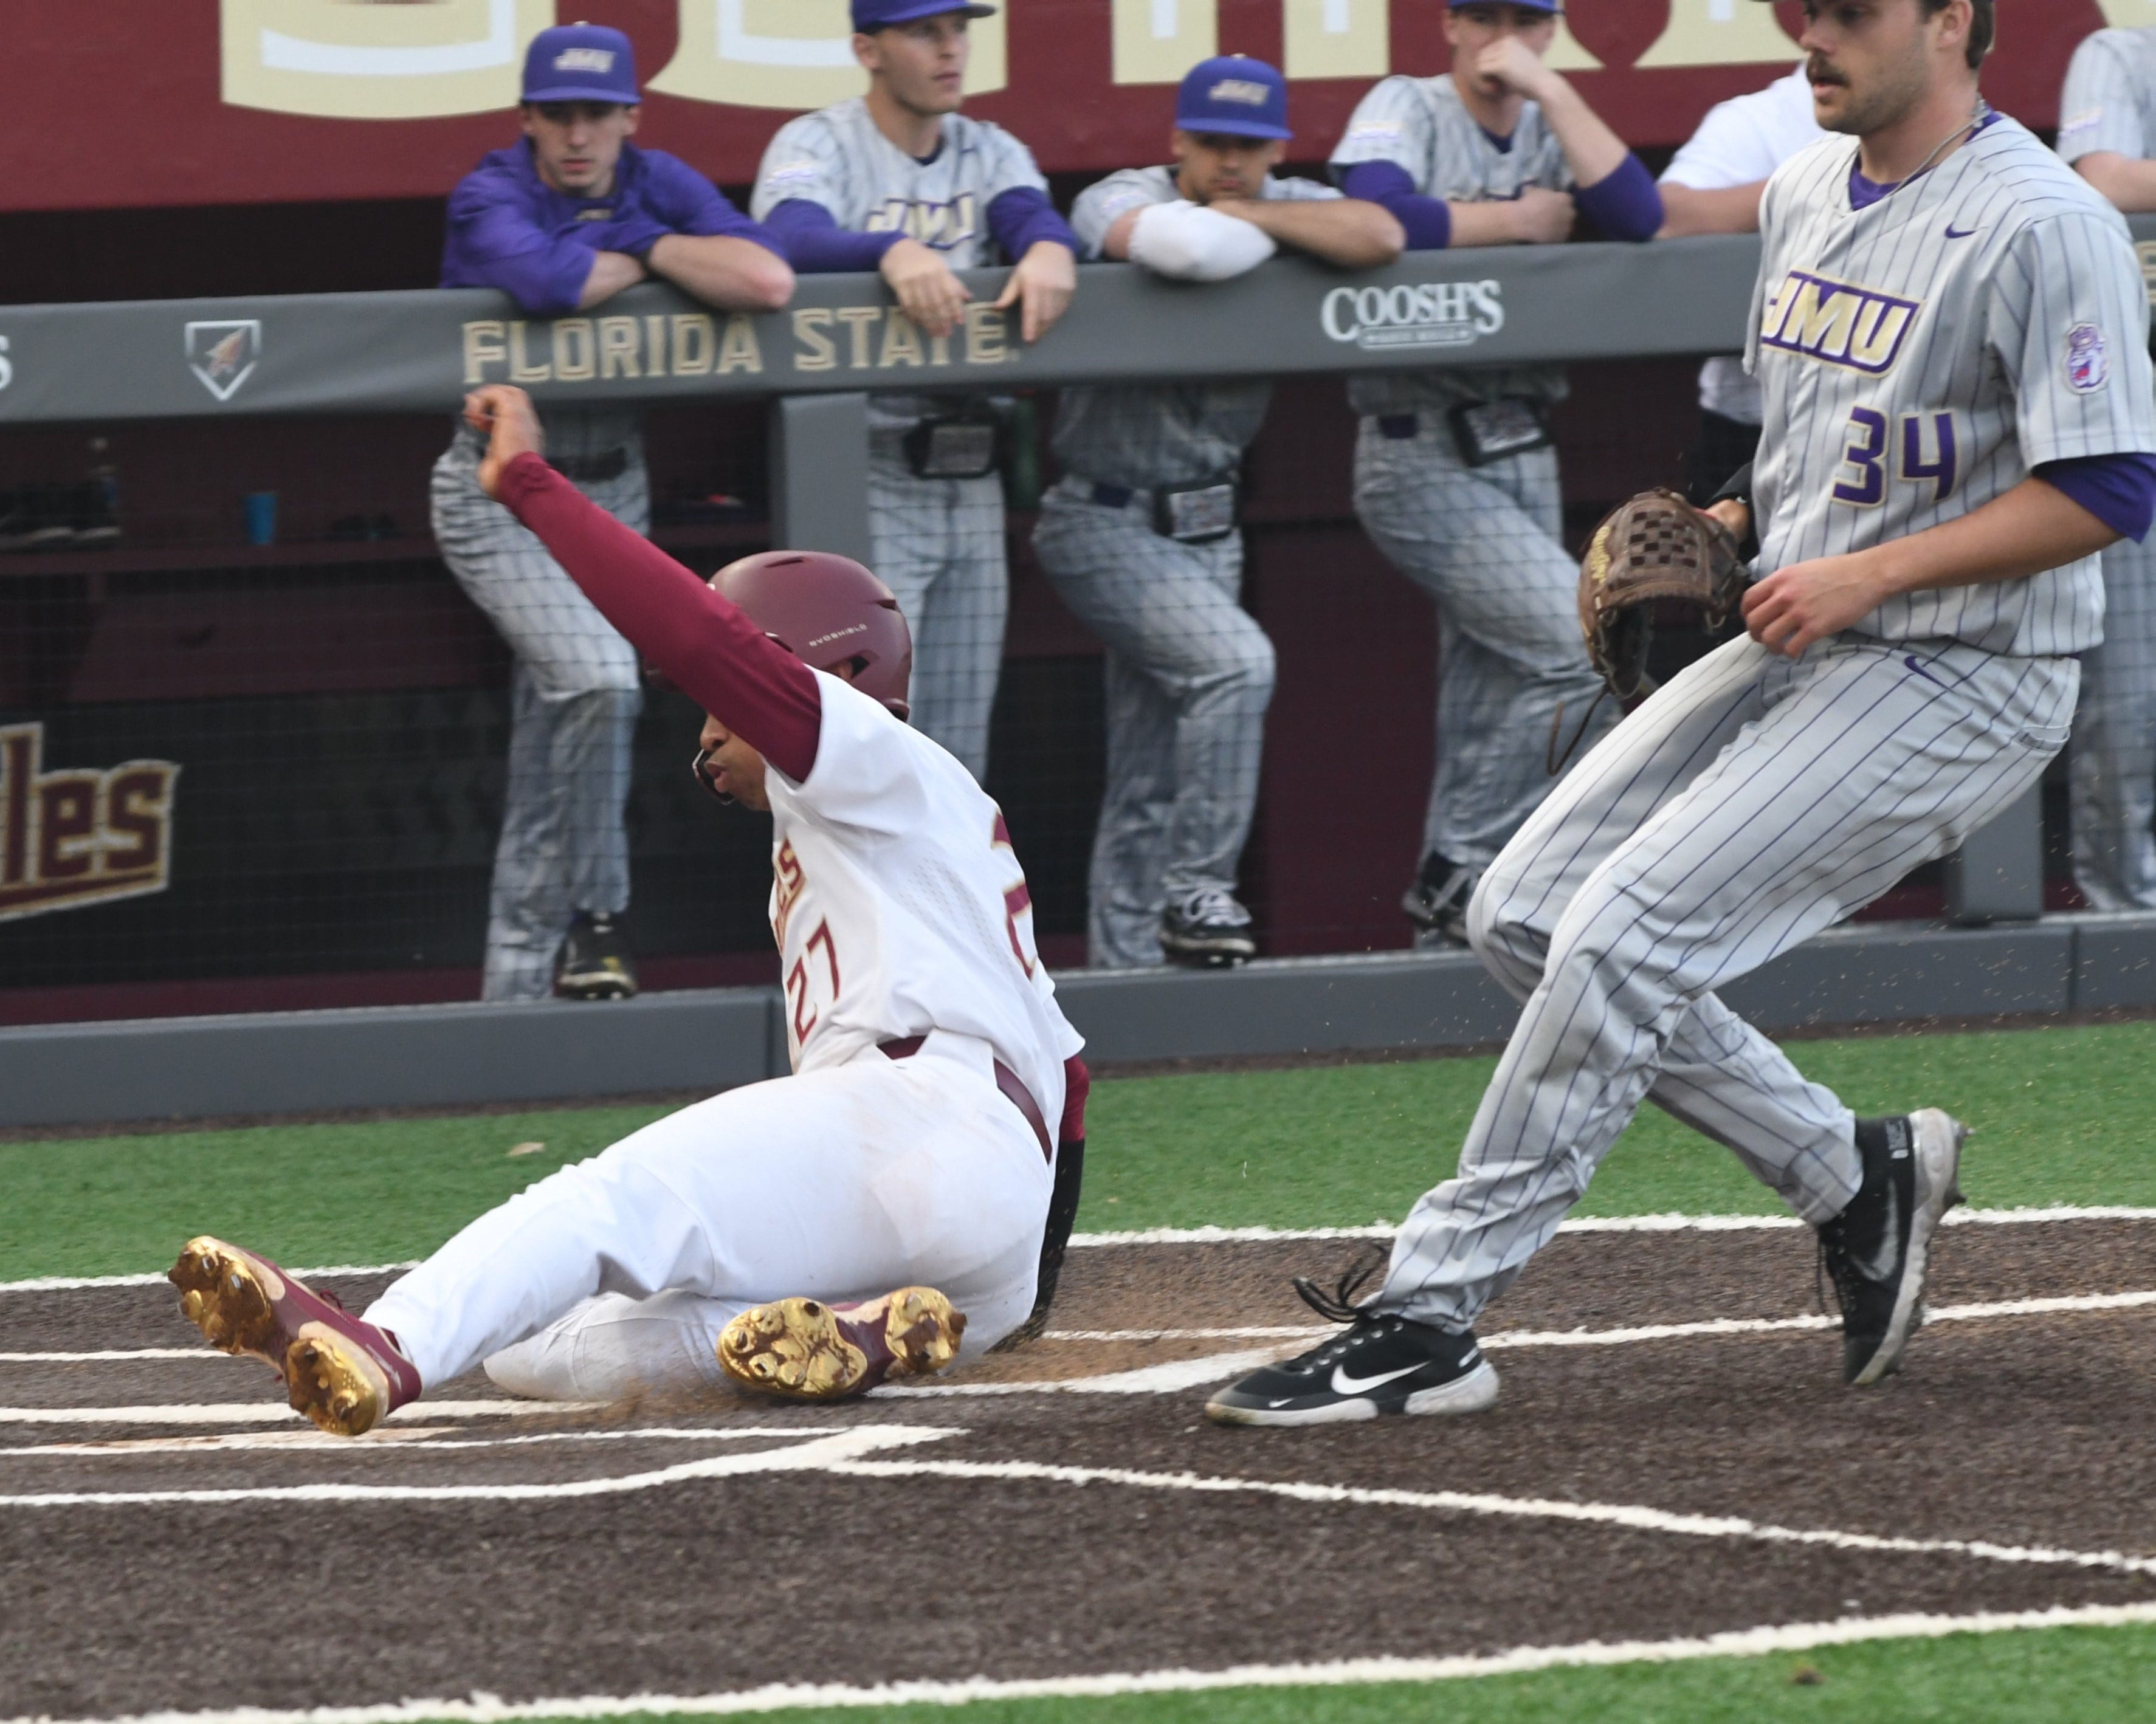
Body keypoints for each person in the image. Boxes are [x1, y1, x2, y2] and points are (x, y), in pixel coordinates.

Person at [1211, 0, 2156, 1426]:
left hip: (1962, 669)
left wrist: (1863, 572)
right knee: (1519, 912)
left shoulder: (2040, 222)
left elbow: (2106, 489)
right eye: (1798, 13)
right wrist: (1731, 516)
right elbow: (1809, 451)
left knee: (1622, 931)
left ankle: (1428, 1310)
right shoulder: (1800, 188)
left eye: (1849, 14)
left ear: (1954, 22)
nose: (1810, 37)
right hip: (1807, 629)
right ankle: (1855, 1175)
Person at [170, 385, 1090, 1437]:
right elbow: (1068, 1074)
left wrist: (529, 484)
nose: (706, 731)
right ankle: (860, 1332)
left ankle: (389, 1342)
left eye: (727, 699)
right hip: (985, 1223)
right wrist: (1015, 1297)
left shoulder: (873, 753)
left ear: (824, 667)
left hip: (913, 1110)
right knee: (531, 1345)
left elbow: (699, 636)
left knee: (612, 1203)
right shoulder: (896, 829)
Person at [433, 23, 793, 1003]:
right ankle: (597, 913)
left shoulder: (655, 180)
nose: (578, 135)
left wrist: (635, 239)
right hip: (496, 487)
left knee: (561, 714)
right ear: (528, 121)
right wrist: (670, 259)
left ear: (630, 117)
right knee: (599, 684)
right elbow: (549, 283)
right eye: (559, 115)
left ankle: (513, 983)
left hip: (613, 485)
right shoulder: (490, 189)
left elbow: (766, 278)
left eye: (597, 114)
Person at [1033, 58, 1403, 969]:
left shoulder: (1287, 197)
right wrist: (1261, 229)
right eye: (1211, 144)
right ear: (1177, 141)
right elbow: (1182, 248)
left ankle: (1125, 972)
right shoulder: (1120, 192)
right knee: (1234, 667)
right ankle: (1198, 887)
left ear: (1277, 146)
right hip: (1102, 515)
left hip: (1210, 526)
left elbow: (1380, 233)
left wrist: (1261, 215)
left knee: (1150, 767)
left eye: (1248, 146)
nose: (1229, 161)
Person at [1329, 0, 1663, 947]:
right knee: (1585, 643)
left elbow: (1635, 217)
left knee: (1492, 701)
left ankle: (1450, 914)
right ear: (1449, 21)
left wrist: (1551, 89)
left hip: (1522, 442)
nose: (1503, 33)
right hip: (1416, 442)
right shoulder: (1407, 102)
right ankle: (1458, 864)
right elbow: (1378, 211)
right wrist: (1514, 219)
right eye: (1484, 14)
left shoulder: (1552, 120)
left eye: (1527, 18)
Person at [749, 0, 1078, 781]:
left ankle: (948, 903)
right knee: (862, 730)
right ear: (868, 48)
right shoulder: (816, 140)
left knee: (957, 746)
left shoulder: (987, 147)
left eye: (958, 30)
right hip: (870, 468)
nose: (950, 49)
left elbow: (1031, 216)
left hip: (972, 474)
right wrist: (891, 250)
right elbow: (787, 236)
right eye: (925, 32)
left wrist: (1049, 247)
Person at [2056, 24, 2156, 911]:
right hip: (2134, 428)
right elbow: (2104, 180)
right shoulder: (2122, 55)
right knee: (2130, 704)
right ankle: (2126, 912)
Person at [1658, 64, 1823, 501]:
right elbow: (1668, 217)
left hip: (1896, 429)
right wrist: (1815, 182)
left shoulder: (1950, 132)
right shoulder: (1761, 118)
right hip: (1750, 434)